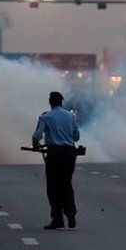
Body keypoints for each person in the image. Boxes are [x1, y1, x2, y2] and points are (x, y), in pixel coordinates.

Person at [32, 91, 81, 230]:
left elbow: (37, 136)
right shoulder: (70, 116)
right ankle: (70, 214)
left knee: (53, 187)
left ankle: (58, 218)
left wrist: (35, 145)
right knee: (66, 184)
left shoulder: (46, 116)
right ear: (61, 102)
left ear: (50, 102)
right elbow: (76, 136)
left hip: (54, 154)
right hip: (69, 153)